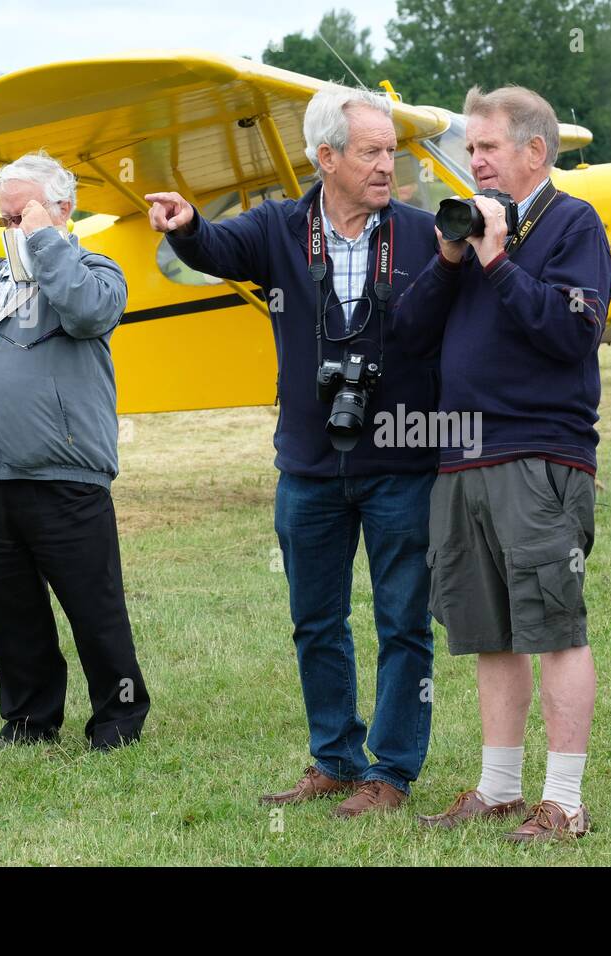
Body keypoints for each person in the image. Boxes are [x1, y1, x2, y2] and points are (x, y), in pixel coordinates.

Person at [145, 86, 441, 816]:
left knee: (403, 623)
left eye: (390, 151)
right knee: (316, 620)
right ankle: (335, 759)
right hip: (308, 467)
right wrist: (185, 225)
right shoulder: (280, 229)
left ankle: (392, 774)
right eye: (370, 151)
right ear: (326, 158)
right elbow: (215, 247)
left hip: (402, 465)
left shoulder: (427, 234)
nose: (385, 165)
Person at [395, 86, 611, 842]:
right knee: (488, 630)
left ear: (534, 152)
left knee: (554, 625)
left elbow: (568, 332)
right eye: (471, 148)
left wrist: (494, 262)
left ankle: (565, 801)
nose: (474, 162)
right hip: (460, 456)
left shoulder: (573, 223)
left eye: (487, 148)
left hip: (539, 454)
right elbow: (410, 335)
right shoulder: (460, 232)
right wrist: (453, 257)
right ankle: (496, 789)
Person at [0, 150, 150, 751]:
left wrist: (44, 242)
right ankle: (28, 719)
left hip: (65, 478)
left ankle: (118, 722)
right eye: (5, 220)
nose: (11, 230)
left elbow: (89, 311)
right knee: (9, 610)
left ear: (61, 211)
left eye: (23, 216)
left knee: (94, 609)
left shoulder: (95, 271)